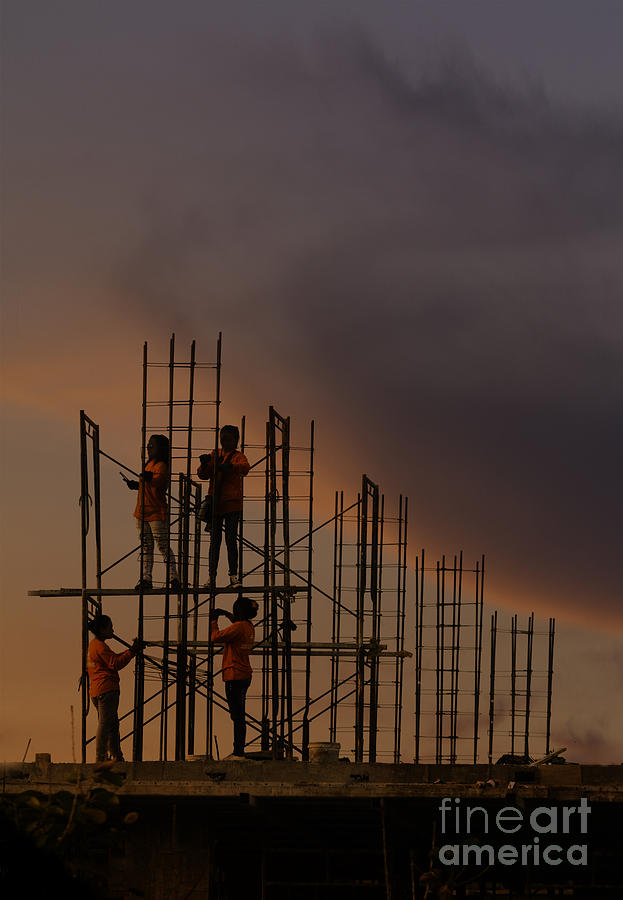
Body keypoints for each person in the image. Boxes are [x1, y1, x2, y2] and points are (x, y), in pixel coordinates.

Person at [126, 433, 181, 591]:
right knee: (146, 547)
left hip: (156, 512)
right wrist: (136, 485)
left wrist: (149, 478)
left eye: (152, 445)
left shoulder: (162, 466)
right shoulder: (148, 465)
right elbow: (148, 484)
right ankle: (146, 578)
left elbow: (159, 482)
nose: (149, 448)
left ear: (161, 449)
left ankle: (173, 578)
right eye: (148, 445)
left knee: (162, 546)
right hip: (142, 512)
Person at [197, 425, 250, 587]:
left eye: (228, 439)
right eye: (222, 438)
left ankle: (233, 575)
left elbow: (245, 468)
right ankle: (211, 577)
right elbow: (203, 475)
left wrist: (231, 467)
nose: (224, 441)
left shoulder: (238, 456)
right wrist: (205, 464)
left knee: (231, 540)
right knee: (215, 541)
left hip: (232, 503)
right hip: (217, 502)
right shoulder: (215, 454)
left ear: (235, 441)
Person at [87, 614, 140, 763]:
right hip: (106, 689)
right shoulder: (100, 646)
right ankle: (101, 757)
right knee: (105, 724)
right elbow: (115, 663)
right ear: (103, 629)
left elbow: (113, 658)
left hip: (98, 690)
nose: (113, 630)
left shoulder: (94, 645)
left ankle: (117, 756)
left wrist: (130, 651)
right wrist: (132, 652)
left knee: (112, 724)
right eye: (110, 627)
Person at [210, 596, 258, 759]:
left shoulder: (239, 627)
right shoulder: (249, 626)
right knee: (239, 715)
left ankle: (238, 752)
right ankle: (239, 750)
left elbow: (215, 637)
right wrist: (226, 614)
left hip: (234, 675)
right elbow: (236, 623)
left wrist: (214, 621)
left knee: (237, 716)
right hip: (244, 674)